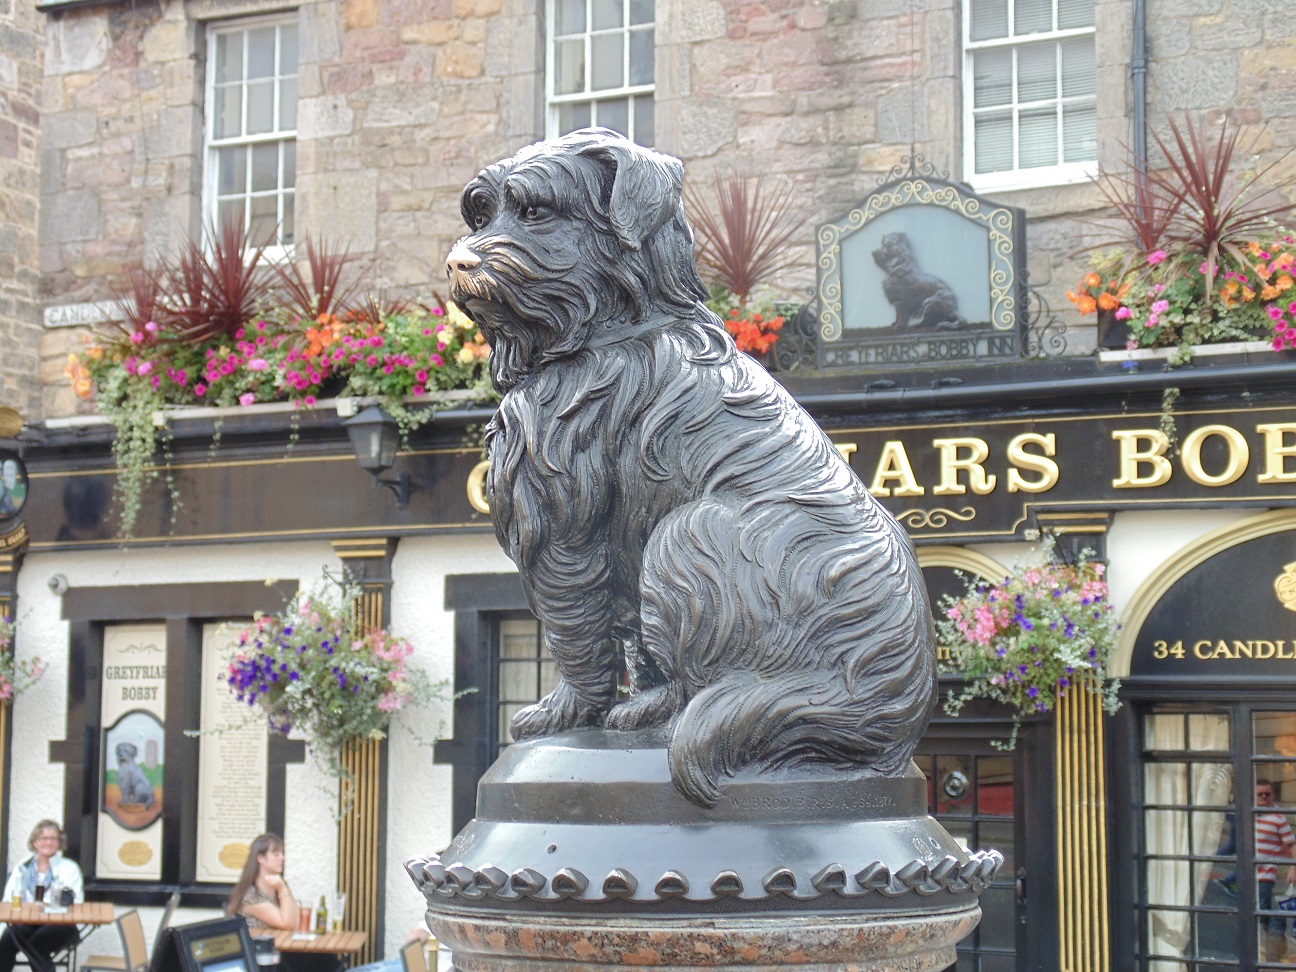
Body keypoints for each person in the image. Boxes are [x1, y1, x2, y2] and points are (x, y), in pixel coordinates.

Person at [0, 820, 85, 972]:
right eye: (43, 838)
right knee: (7, 939)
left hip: (61, 924)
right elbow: (8, 899)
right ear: (34, 842)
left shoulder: (70, 868)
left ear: (59, 843)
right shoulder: (22, 867)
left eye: (53, 838)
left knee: (37, 944)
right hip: (27, 922)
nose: (48, 842)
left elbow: (77, 902)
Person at [227, 834, 299, 969]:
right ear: (261, 858)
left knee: (323, 960)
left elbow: (296, 925)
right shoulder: (251, 895)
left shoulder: (277, 888)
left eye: (282, 853)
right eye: (276, 854)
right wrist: (283, 889)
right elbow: (287, 924)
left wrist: (283, 889)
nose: (282, 858)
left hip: (276, 953)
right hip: (258, 959)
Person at [1255, 779, 1296, 959]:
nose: (1264, 797)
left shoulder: (1278, 817)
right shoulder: (1250, 814)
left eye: (1267, 794)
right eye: (1260, 794)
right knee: (1260, 916)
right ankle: (1270, 949)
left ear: (1273, 794)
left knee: (1262, 915)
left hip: (1266, 876)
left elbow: (1292, 845)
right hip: (1247, 875)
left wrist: (1293, 869)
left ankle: (1272, 954)